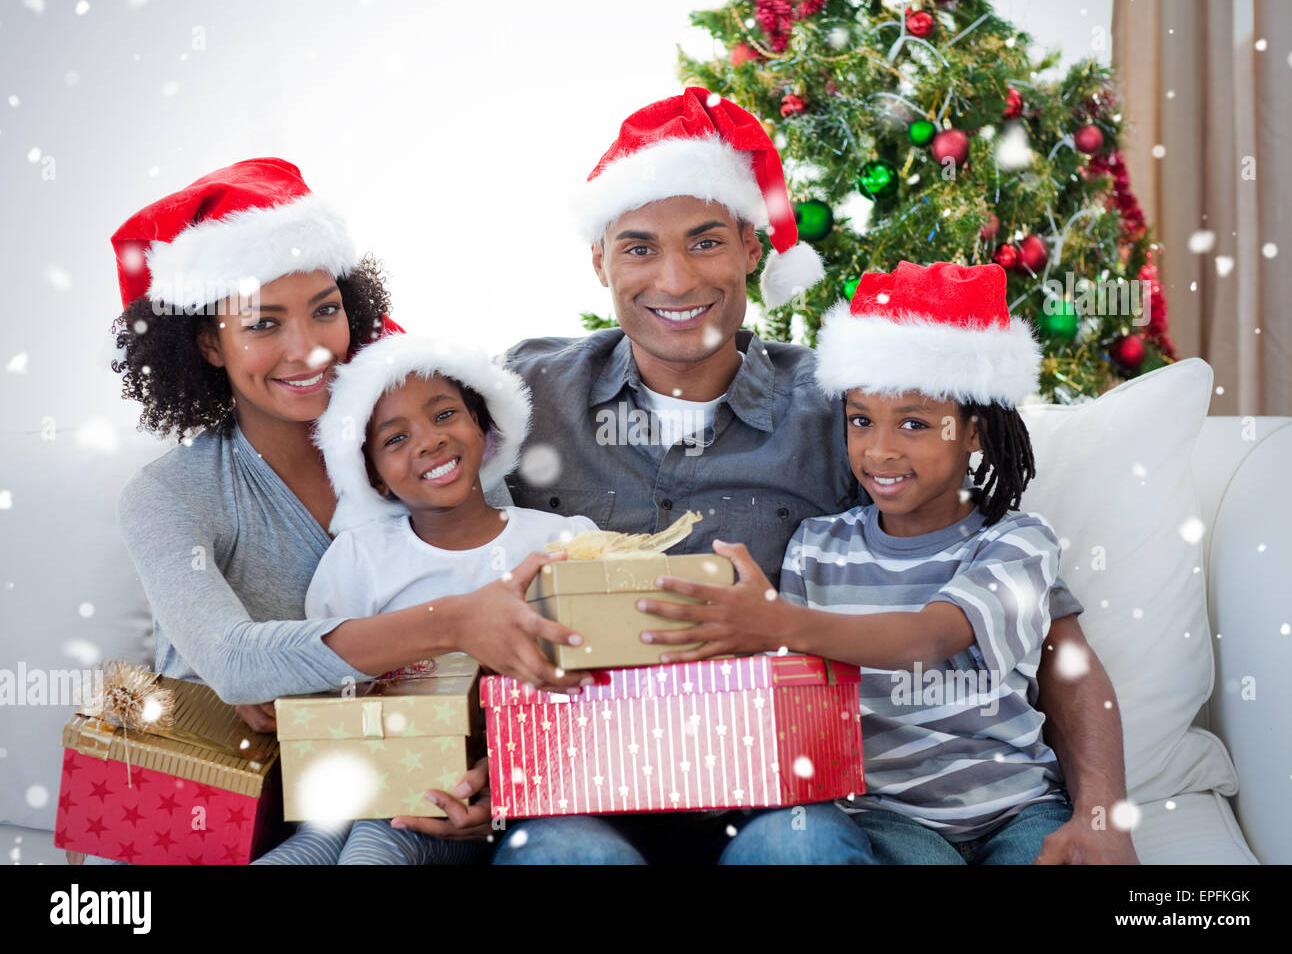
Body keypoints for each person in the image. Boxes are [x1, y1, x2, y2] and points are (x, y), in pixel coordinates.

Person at [492, 89, 1138, 864]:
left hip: (772, 793)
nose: (674, 279)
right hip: (585, 787)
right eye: (638, 248)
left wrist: (1100, 809)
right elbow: (399, 504)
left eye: (704, 243)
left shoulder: (843, 410)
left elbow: (1050, 636)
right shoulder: (518, 397)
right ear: (597, 260)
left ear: (752, 248)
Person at [107, 159, 588, 863]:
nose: (309, 348)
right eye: (263, 323)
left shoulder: (428, 452)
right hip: (237, 806)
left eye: (324, 310)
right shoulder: (168, 496)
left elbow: (516, 604)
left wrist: (507, 781)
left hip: (416, 794)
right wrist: (453, 621)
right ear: (209, 343)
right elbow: (237, 665)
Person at [650, 260, 1073, 863]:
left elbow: (929, 636)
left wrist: (777, 621)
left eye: (915, 424)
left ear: (974, 432)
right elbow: (795, 692)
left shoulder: (1018, 543)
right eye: (860, 421)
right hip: (881, 813)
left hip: (1015, 807)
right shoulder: (817, 546)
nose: (879, 449)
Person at [287, 334, 597, 863]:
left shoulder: (562, 543)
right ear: (375, 478)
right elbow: (320, 688)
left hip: (516, 789)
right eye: (394, 439)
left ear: (482, 424)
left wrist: (512, 783)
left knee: (376, 844)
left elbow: (604, 687)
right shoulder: (360, 557)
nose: (428, 442)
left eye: (445, 414)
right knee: (318, 842)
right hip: (382, 779)